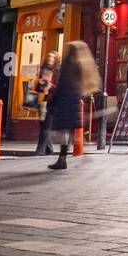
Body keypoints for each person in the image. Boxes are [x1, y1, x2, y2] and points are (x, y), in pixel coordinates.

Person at [45, 42, 101, 171]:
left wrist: (54, 99)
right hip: (74, 101)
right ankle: (63, 157)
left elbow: (62, 85)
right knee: (68, 131)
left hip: (65, 101)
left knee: (63, 130)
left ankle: (63, 158)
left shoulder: (68, 66)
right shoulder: (80, 66)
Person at [32, 51, 59, 156]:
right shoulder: (43, 71)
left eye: (52, 57)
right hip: (42, 101)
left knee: (46, 126)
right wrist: (40, 84)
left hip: (52, 102)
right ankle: (49, 149)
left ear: (56, 60)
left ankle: (40, 150)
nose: (50, 59)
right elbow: (37, 88)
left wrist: (50, 85)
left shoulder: (58, 72)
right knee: (43, 125)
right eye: (48, 57)